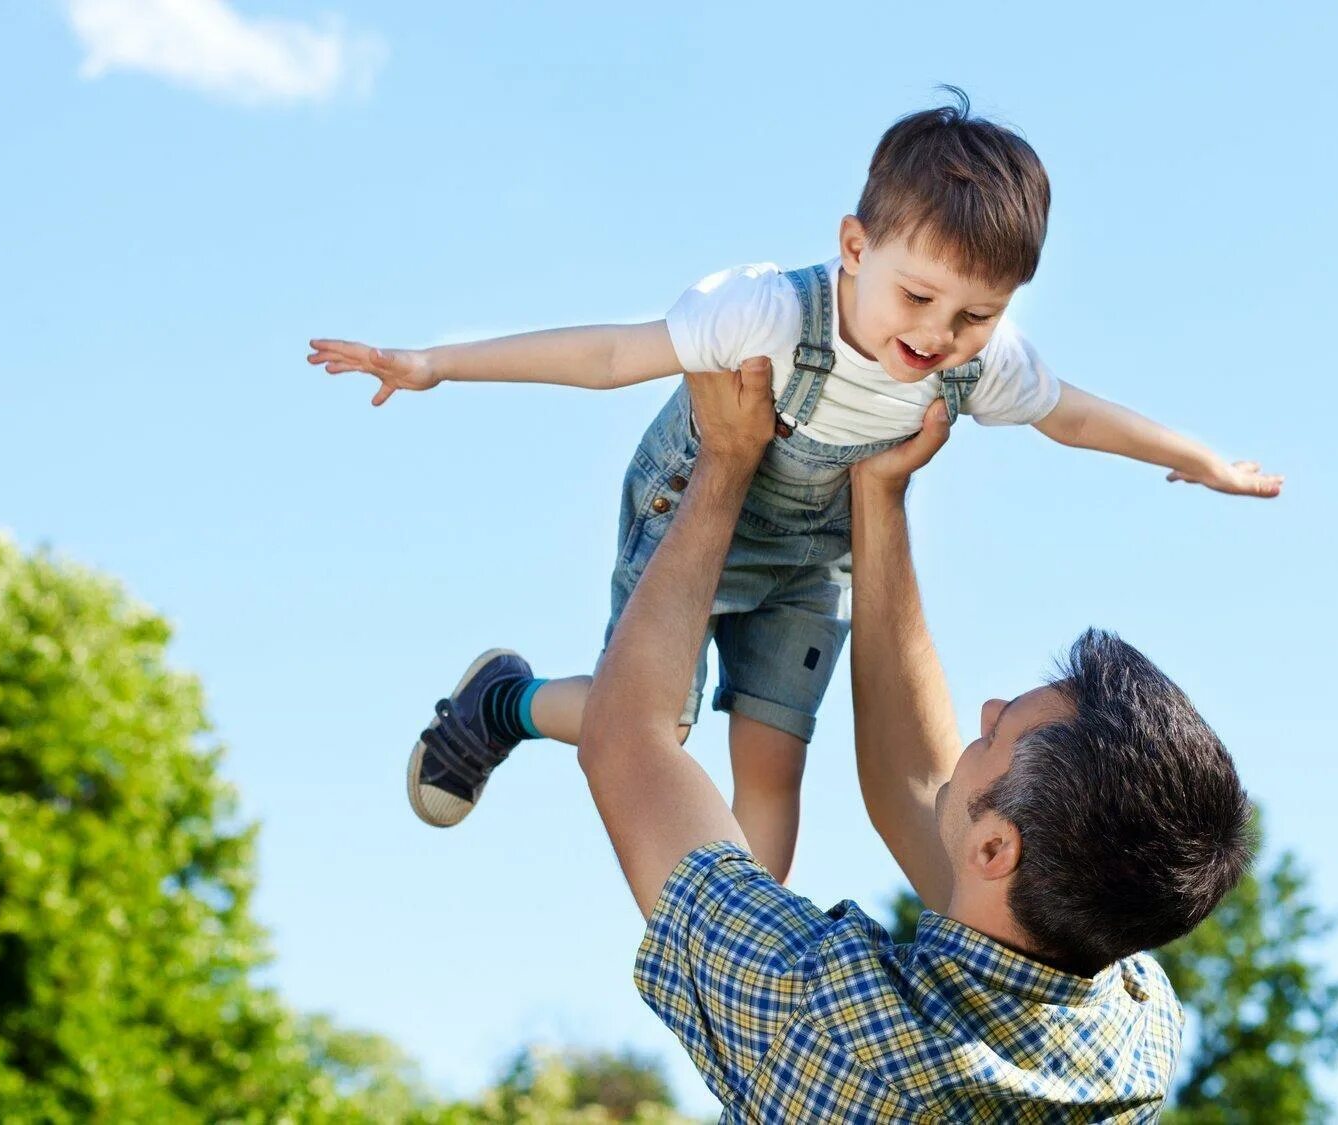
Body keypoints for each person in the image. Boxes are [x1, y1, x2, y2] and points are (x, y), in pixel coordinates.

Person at [307, 89, 1280, 882]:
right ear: (854, 248)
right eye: (918, 297)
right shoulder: (767, 311)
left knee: (774, 758)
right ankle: (503, 704)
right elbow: (609, 354)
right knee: (653, 721)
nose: (939, 334)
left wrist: (1195, 457)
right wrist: (432, 362)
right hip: (696, 504)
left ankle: (752, 972)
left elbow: (1069, 413)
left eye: (975, 314)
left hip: (816, 554)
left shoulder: (978, 363)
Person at [576, 363, 1253, 1121]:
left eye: (1000, 731)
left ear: (998, 849)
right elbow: (922, 790)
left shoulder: (835, 1030)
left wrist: (724, 464)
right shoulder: (1128, 1041)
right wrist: (880, 496)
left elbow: (625, 740)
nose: (988, 707)